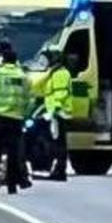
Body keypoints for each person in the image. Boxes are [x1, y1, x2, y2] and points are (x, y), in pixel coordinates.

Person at [0, 43, 31, 194]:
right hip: (15, 119)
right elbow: (27, 98)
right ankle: (12, 185)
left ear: (2, 59)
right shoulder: (23, 76)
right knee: (13, 154)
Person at [44, 48, 74, 182]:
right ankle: (58, 169)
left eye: (49, 58)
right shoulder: (56, 72)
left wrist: (54, 109)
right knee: (58, 142)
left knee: (59, 144)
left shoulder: (60, 73)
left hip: (59, 113)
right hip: (57, 112)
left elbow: (60, 93)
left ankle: (60, 170)